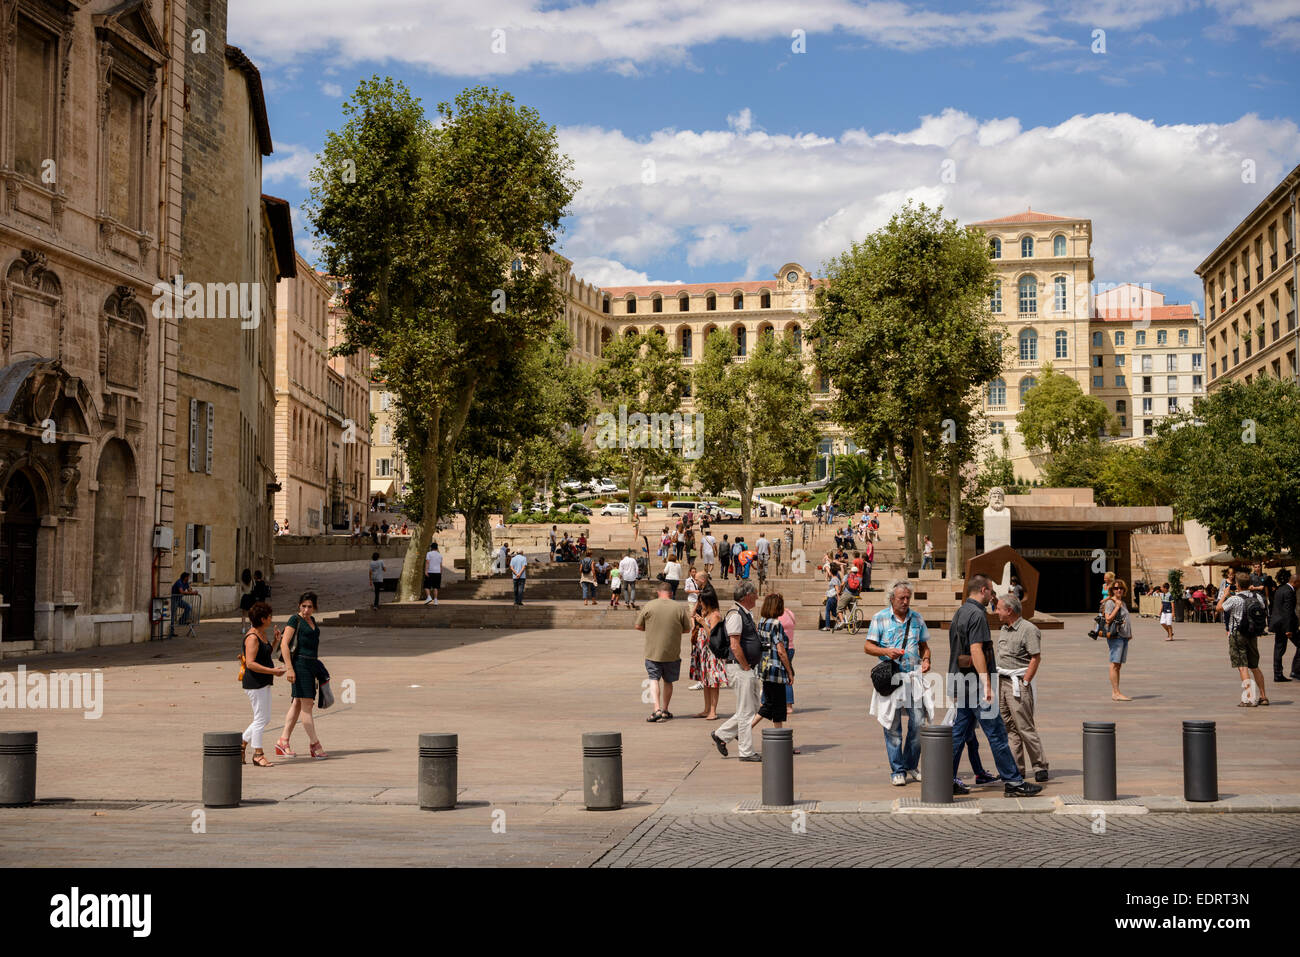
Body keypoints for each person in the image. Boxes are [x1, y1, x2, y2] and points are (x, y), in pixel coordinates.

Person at [948, 574, 1043, 797]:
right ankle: (1013, 783)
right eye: (991, 591)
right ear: (983, 590)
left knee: (958, 733)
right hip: (976, 685)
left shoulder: (960, 612)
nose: (992, 596)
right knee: (998, 734)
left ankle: (946, 778)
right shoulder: (977, 615)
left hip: (961, 681)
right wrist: (986, 684)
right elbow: (975, 649)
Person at [864, 580, 932, 786]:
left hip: (914, 678)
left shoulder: (917, 618)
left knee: (919, 723)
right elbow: (868, 646)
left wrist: (927, 660)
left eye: (908, 598)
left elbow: (924, 647)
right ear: (891, 599)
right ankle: (897, 770)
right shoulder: (880, 618)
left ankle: (910, 764)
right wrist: (886, 651)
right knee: (893, 727)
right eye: (901, 598)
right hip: (891, 679)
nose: (905, 601)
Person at [994, 594, 1048, 783]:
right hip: (1002, 682)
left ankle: (1040, 765)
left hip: (1017, 683)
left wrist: (1025, 681)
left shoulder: (1028, 629)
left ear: (1009, 610)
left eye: (999, 608)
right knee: (1009, 727)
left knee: (1025, 726)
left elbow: (1035, 657)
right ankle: (1016, 768)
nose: (996, 611)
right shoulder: (1004, 628)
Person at [711, 582, 764, 762]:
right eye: (755, 593)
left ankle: (722, 734)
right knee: (747, 711)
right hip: (740, 667)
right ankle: (746, 751)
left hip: (745, 667)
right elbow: (735, 644)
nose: (757, 596)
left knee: (753, 707)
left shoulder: (744, 613)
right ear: (746, 596)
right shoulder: (735, 614)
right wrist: (746, 666)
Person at [275, 591, 328, 759]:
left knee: (298, 703)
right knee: (307, 705)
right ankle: (314, 744)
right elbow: (284, 644)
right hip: (299, 665)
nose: (306, 609)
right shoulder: (294, 620)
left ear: (315, 608)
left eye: (310, 606)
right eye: (303, 606)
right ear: (299, 605)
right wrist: (289, 668)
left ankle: (283, 741)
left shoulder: (312, 621)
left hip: (311, 665)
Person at [636, 580, 694, 722]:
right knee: (668, 681)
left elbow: (638, 626)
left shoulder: (649, 605)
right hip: (672, 651)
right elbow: (687, 629)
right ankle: (665, 709)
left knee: (654, 679)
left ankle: (656, 709)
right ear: (671, 593)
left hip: (653, 651)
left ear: (658, 592)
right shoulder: (678, 607)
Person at [240, 600, 285, 767]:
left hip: (263, 682)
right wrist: (274, 671)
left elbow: (265, 654)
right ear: (263, 618)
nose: (271, 618)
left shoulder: (261, 634)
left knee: (264, 718)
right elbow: (251, 663)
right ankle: (258, 754)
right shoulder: (252, 637)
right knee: (260, 719)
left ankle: (242, 743)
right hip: (255, 683)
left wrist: (275, 641)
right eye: (269, 616)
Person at [1219, 571, 1269, 707]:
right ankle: (1263, 697)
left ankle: (1250, 697)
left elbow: (1219, 608)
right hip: (1252, 634)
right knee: (1255, 666)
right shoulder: (1257, 596)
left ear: (1237, 585)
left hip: (1237, 634)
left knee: (1242, 667)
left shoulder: (1235, 599)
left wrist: (1224, 594)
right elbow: (1263, 607)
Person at [754, 593, 796, 742]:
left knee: (772, 705)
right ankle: (743, 730)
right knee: (775, 706)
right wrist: (789, 672)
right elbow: (781, 651)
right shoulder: (776, 624)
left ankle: (781, 741)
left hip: (765, 668)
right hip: (776, 670)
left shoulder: (762, 622)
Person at [690, 585, 728, 718]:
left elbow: (714, 635)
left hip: (712, 653)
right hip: (704, 652)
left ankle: (713, 711)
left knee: (713, 682)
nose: (700, 604)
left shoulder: (715, 615)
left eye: (702, 601)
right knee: (706, 681)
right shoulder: (706, 613)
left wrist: (703, 623)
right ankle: (706, 709)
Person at [1101, 578, 1133, 701]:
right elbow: (1108, 619)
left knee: (1118, 665)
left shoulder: (1122, 602)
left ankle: (1117, 691)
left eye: (1121, 588)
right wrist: (1116, 607)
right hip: (1116, 636)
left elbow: (1126, 620)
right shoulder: (1110, 602)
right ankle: (1115, 692)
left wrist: (1130, 633)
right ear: (1112, 590)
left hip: (1124, 637)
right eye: (1116, 588)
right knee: (1114, 664)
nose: (1118, 590)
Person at [1269, 568, 1298, 682]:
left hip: (1278, 623)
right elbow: (1287, 611)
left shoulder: (1280, 589)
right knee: (1281, 648)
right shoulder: (1289, 591)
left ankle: (1278, 673)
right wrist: (1288, 629)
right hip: (1285, 625)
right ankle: (1295, 671)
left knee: (1278, 649)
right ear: (1295, 582)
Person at [821, 561, 842, 632]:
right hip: (833, 598)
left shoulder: (834, 579)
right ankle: (840, 623)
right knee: (833, 613)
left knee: (827, 611)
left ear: (831, 572)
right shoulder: (837, 579)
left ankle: (827, 626)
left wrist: (838, 597)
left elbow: (837, 590)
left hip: (832, 598)